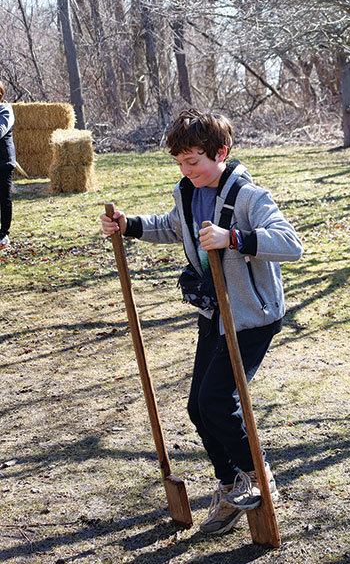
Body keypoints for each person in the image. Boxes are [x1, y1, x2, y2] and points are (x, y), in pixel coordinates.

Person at [100, 109, 302, 535]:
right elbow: (175, 228)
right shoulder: (188, 192)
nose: (186, 170)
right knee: (198, 407)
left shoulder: (249, 197)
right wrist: (129, 225)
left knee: (216, 401)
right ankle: (230, 485)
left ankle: (259, 476)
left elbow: (290, 244)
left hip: (251, 318)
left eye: (193, 162)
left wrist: (235, 238)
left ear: (220, 153)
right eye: (179, 162)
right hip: (214, 314)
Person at [0, 81, 15, 249]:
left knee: (4, 199)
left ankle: (3, 234)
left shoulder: (5, 109)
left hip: (4, 162)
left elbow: (1, 130)